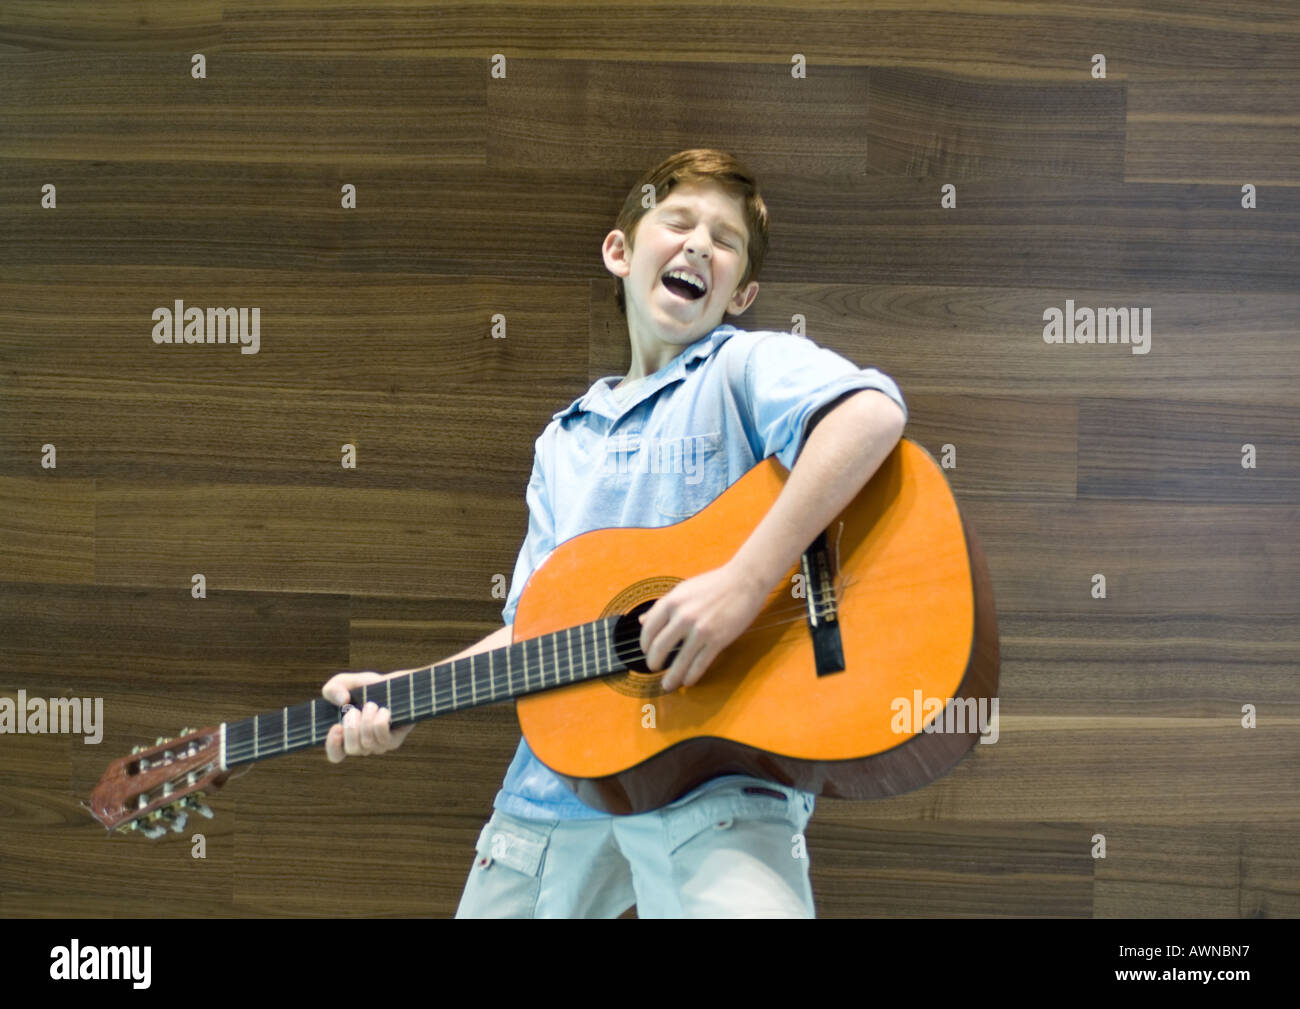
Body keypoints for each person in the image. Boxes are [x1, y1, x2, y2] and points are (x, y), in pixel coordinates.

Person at [321, 148, 908, 917]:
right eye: (679, 221)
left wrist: (742, 583)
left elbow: (871, 414)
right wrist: (407, 695)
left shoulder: (740, 367)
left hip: (716, 778)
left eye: (725, 240)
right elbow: (539, 632)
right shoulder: (563, 442)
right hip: (554, 790)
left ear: (742, 293)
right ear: (620, 251)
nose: (700, 244)